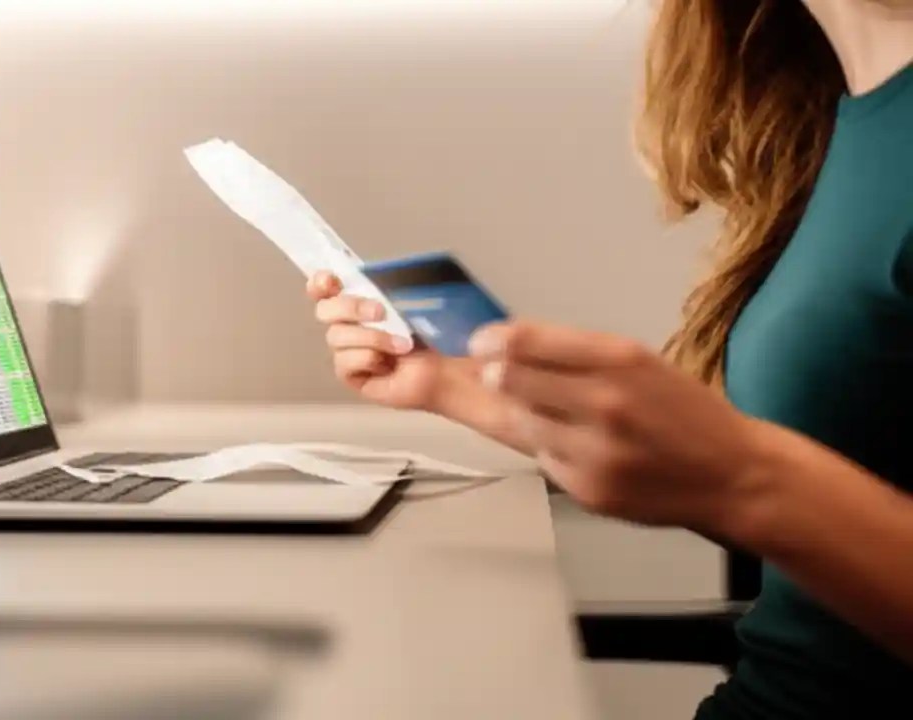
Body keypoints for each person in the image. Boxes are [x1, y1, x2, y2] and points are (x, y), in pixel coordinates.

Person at [303, 1, 913, 718]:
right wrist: (461, 387)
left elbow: (778, 492)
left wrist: (743, 474)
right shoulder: (846, 118)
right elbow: (836, 500)